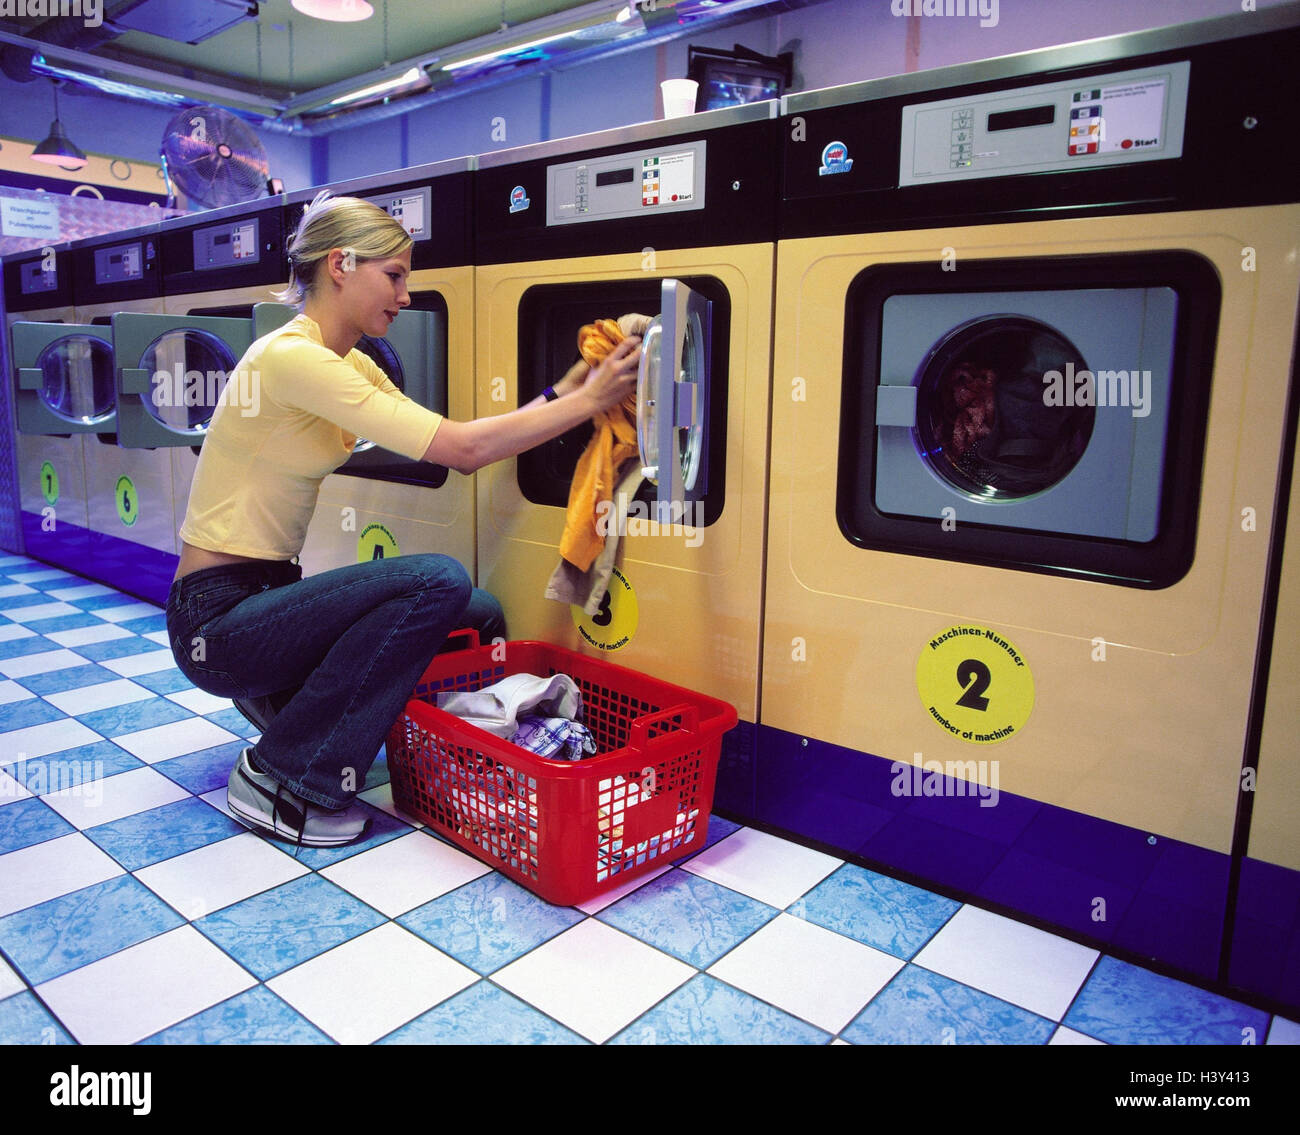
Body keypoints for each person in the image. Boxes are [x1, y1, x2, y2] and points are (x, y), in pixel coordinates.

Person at [164, 191, 641, 849]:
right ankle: (280, 778)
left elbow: (461, 433)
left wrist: (570, 389)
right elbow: (465, 452)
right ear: (340, 263)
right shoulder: (291, 358)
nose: (406, 294)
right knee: (435, 580)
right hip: (218, 624)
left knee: (476, 609)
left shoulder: (347, 362)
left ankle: (457, 758)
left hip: (269, 599)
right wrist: (588, 398)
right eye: (394, 275)